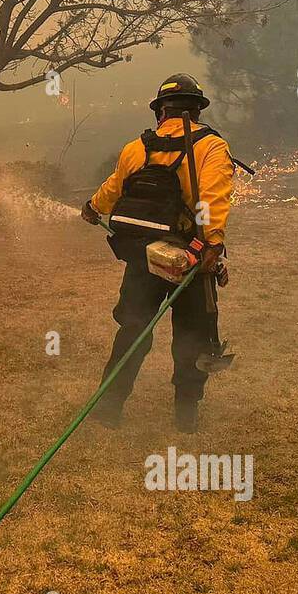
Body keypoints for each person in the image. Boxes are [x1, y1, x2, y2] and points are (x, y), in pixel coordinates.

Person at [80, 74, 234, 433]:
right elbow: (212, 199)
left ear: (160, 113)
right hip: (191, 257)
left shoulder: (137, 147)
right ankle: (186, 414)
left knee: (133, 328)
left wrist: (92, 207)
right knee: (192, 334)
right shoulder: (210, 147)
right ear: (195, 110)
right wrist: (212, 244)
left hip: (143, 255)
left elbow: (114, 187)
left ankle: (109, 406)